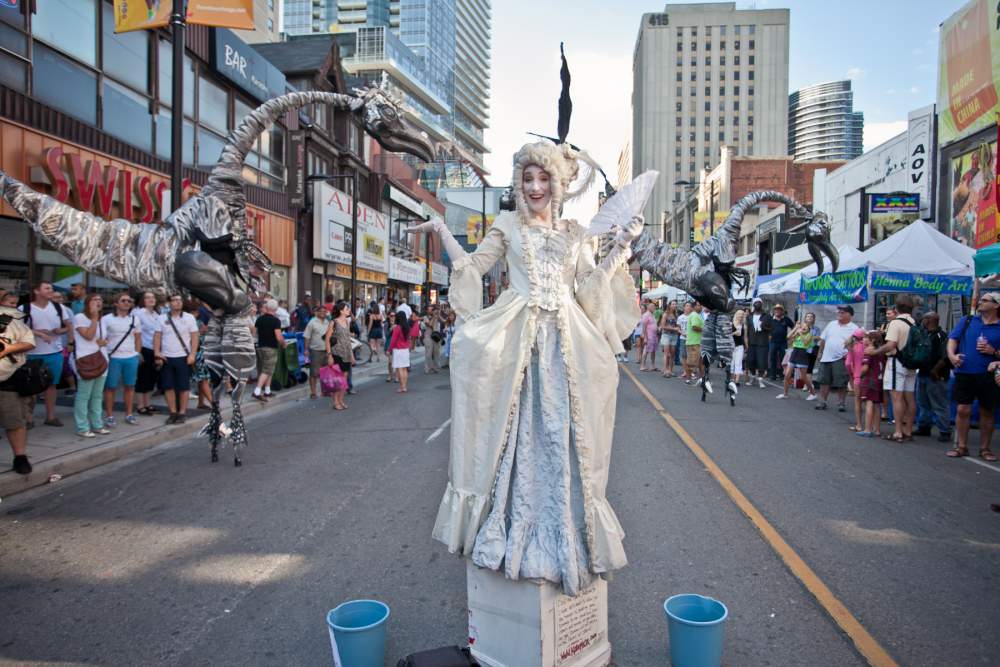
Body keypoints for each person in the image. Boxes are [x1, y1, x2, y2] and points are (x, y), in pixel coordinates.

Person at [406, 140, 641, 596]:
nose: (534, 186)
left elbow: (590, 292)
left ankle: (566, 542)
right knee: (513, 437)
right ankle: (509, 537)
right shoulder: (508, 225)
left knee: (566, 439)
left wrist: (621, 248)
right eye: (528, 178)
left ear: (558, 183)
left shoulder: (576, 233)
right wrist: (441, 230)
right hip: (519, 342)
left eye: (543, 178)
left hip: (567, 344)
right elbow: (473, 267)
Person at [947, 292, 1000, 461]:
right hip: (965, 371)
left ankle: (985, 449)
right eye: (981, 299)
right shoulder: (968, 320)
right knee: (963, 409)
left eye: (985, 300)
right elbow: (952, 339)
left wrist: (994, 352)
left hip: (989, 374)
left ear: (996, 305)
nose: (980, 302)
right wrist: (952, 356)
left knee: (987, 412)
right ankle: (961, 446)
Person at [867, 294, 917, 442]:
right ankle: (908, 430)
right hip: (911, 363)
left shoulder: (896, 323)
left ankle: (898, 432)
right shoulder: (913, 322)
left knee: (897, 398)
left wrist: (875, 351)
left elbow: (891, 345)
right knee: (910, 397)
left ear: (896, 308)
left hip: (897, 362)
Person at [23, 281, 73, 429]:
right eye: (47, 288)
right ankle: (28, 418)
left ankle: (50, 416)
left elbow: (69, 325)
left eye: (51, 288)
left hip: (54, 352)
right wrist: (39, 333)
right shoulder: (25, 308)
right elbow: (18, 328)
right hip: (32, 353)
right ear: (37, 291)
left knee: (52, 386)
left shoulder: (58, 307)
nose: (51, 290)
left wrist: (64, 335)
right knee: (31, 388)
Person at [0, 298, 36, 474]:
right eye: (9, 302)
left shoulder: (15, 323)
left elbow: (29, 343)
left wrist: (9, 348)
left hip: (9, 380)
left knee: (15, 420)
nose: (13, 306)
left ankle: (20, 457)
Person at [153, 293, 199, 424]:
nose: (177, 302)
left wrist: (192, 355)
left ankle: (182, 412)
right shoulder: (162, 318)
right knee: (168, 386)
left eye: (179, 300)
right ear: (169, 303)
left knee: (184, 386)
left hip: (183, 357)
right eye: (174, 300)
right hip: (167, 357)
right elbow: (157, 336)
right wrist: (157, 353)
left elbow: (195, 336)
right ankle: (172, 412)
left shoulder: (189, 318)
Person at [101, 292, 141, 427]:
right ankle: (109, 415)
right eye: (123, 301)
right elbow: (102, 338)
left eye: (129, 301)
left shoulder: (135, 319)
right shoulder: (106, 319)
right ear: (116, 303)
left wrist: (137, 353)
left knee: (130, 386)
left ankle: (129, 414)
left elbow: (138, 337)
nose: (127, 303)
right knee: (110, 387)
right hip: (113, 357)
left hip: (130, 356)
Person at [72, 293, 110, 438]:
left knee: (97, 396)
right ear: (88, 302)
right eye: (95, 299)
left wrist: (105, 342)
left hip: (101, 359)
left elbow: (103, 339)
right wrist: (94, 318)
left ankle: (97, 425)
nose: (98, 302)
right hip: (86, 360)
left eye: (100, 299)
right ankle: (82, 427)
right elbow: (88, 335)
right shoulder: (79, 318)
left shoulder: (103, 320)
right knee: (84, 395)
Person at [914, 311, 952, 442]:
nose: (922, 321)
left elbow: (945, 356)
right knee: (923, 402)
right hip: (923, 373)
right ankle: (924, 426)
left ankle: (945, 430)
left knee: (939, 403)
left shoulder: (941, 336)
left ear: (929, 320)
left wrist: (935, 370)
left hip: (936, 375)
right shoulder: (925, 334)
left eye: (924, 318)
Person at [814, 305, 860, 411]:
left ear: (850, 315)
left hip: (841, 358)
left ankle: (841, 403)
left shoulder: (854, 328)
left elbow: (857, 344)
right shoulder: (831, 324)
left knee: (841, 382)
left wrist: (849, 355)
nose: (839, 314)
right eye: (839, 312)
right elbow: (823, 340)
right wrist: (820, 353)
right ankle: (823, 402)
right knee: (824, 380)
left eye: (842, 312)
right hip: (826, 357)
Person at [133, 291, 162, 416]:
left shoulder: (157, 314)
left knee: (151, 378)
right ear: (143, 300)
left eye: (153, 297)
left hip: (155, 349)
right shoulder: (138, 313)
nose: (151, 299)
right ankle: (140, 405)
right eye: (147, 297)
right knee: (142, 378)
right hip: (143, 348)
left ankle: (147, 403)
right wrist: (137, 352)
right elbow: (135, 333)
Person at [252, 299, 285, 402]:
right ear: (275, 309)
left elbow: (254, 332)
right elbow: (279, 336)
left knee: (268, 369)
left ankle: (267, 390)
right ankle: (257, 391)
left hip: (260, 346)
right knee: (267, 370)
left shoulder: (259, 319)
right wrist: (284, 344)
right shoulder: (276, 321)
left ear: (267, 308)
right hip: (271, 347)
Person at [777, 316, 816, 399]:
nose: (803, 328)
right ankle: (785, 394)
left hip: (802, 354)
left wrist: (800, 333)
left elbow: (805, 343)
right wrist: (795, 328)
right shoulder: (798, 334)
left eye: (805, 327)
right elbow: (788, 337)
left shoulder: (810, 335)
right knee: (787, 375)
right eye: (802, 327)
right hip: (794, 353)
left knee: (803, 377)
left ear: (809, 329)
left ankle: (813, 393)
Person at [857, 330, 886, 438]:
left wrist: (859, 375)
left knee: (869, 403)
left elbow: (865, 368)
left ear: (872, 340)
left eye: (865, 337)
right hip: (879, 379)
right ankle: (877, 429)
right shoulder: (880, 351)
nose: (863, 339)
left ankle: (867, 429)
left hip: (870, 380)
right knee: (877, 404)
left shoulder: (868, 351)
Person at [325, 300, 354, 409]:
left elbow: (348, 339)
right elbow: (327, 339)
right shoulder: (334, 322)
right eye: (347, 309)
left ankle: (341, 400)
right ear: (341, 311)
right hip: (336, 353)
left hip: (346, 353)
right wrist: (329, 355)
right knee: (337, 380)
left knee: (344, 379)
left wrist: (352, 355)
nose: (349, 311)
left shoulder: (347, 321)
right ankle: (335, 402)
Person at [185, 298, 213, 411]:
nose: (197, 313)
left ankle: (201, 402)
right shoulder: (191, 323)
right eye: (194, 311)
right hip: (196, 353)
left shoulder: (197, 322)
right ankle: (213, 403)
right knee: (203, 379)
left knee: (203, 378)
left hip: (201, 352)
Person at [304, 304, 331, 399]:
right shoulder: (312, 322)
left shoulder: (327, 322)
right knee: (314, 373)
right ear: (317, 312)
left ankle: (326, 390)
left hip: (326, 350)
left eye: (325, 312)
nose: (323, 313)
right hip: (315, 350)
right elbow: (307, 337)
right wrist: (306, 349)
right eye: (321, 311)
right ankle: (313, 392)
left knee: (326, 372)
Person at [844, 329, 867, 431]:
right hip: (869, 377)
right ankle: (872, 426)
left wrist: (852, 374)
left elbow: (848, 364)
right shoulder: (868, 347)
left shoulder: (852, 347)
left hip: (857, 377)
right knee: (870, 402)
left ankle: (859, 425)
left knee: (858, 401)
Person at [746, 298, 771, 388]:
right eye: (756, 303)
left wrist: (764, 327)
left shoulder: (767, 316)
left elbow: (772, 329)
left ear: (761, 304)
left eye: (759, 303)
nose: (757, 304)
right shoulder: (749, 316)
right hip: (751, 342)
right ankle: (752, 377)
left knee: (761, 362)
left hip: (762, 343)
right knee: (750, 361)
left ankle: (760, 380)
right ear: (753, 305)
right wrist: (746, 342)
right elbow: (747, 330)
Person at [768, 304, 794, 382]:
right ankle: (773, 375)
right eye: (776, 309)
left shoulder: (786, 319)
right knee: (773, 358)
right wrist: (768, 335)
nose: (777, 311)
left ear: (782, 311)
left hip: (783, 342)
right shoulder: (770, 319)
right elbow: (764, 327)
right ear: (774, 310)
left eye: (779, 309)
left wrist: (791, 337)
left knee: (784, 359)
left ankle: (783, 375)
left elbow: (794, 327)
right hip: (773, 342)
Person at [388, 310, 411, 393]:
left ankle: (402, 386)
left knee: (399, 369)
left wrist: (389, 350)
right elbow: (409, 339)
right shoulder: (407, 327)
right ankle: (405, 386)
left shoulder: (397, 328)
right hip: (405, 350)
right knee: (404, 368)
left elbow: (393, 340)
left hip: (398, 350)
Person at [684, 301, 704, 384]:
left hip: (697, 342)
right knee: (691, 363)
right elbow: (694, 327)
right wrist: (705, 330)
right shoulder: (695, 315)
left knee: (701, 363)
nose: (701, 307)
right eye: (699, 305)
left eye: (701, 305)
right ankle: (688, 379)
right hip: (694, 342)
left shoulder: (696, 315)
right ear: (694, 307)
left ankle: (703, 380)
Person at [659, 301, 680, 377]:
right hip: (666, 335)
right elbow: (662, 326)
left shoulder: (676, 315)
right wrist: (674, 328)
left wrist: (678, 328)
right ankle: (665, 370)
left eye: (675, 304)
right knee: (666, 354)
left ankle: (670, 370)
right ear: (669, 305)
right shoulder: (665, 314)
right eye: (673, 304)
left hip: (674, 336)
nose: (675, 305)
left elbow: (678, 325)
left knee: (672, 354)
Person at [423, 304, 445, 373]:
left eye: (432, 309)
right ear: (426, 311)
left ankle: (436, 367)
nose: (431, 311)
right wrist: (434, 317)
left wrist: (438, 315)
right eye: (429, 310)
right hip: (428, 336)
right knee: (428, 353)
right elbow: (429, 325)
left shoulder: (437, 316)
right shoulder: (425, 317)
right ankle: (428, 368)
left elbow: (444, 322)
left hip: (436, 337)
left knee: (436, 353)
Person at [804, 312, 822, 392]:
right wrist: (812, 338)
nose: (809, 318)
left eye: (811, 316)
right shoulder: (802, 327)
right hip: (803, 350)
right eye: (808, 316)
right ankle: (807, 384)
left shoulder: (817, 329)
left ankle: (808, 384)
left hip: (812, 350)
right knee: (804, 368)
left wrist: (808, 338)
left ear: (814, 319)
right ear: (805, 318)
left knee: (810, 368)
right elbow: (801, 337)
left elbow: (818, 338)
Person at [639, 301, 659, 371]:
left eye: (654, 306)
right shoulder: (646, 315)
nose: (654, 308)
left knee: (653, 350)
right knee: (646, 350)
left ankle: (652, 365)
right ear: (648, 307)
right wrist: (645, 337)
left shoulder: (652, 314)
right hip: (649, 335)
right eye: (652, 306)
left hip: (654, 335)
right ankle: (642, 365)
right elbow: (644, 326)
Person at [731, 308, 747, 386]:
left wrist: (747, 346)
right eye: (739, 315)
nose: (740, 316)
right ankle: (731, 378)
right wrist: (734, 333)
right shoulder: (731, 324)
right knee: (732, 362)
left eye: (742, 315)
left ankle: (736, 380)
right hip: (732, 346)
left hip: (740, 346)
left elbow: (745, 337)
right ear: (736, 315)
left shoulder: (744, 326)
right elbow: (727, 334)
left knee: (739, 362)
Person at [676, 301, 690, 371]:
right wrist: (681, 332)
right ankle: (685, 371)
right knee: (683, 355)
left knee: (690, 356)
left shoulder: (692, 316)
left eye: (689, 306)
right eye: (687, 306)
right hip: (683, 338)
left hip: (691, 339)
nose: (688, 307)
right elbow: (678, 328)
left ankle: (690, 371)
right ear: (684, 307)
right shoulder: (680, 317)